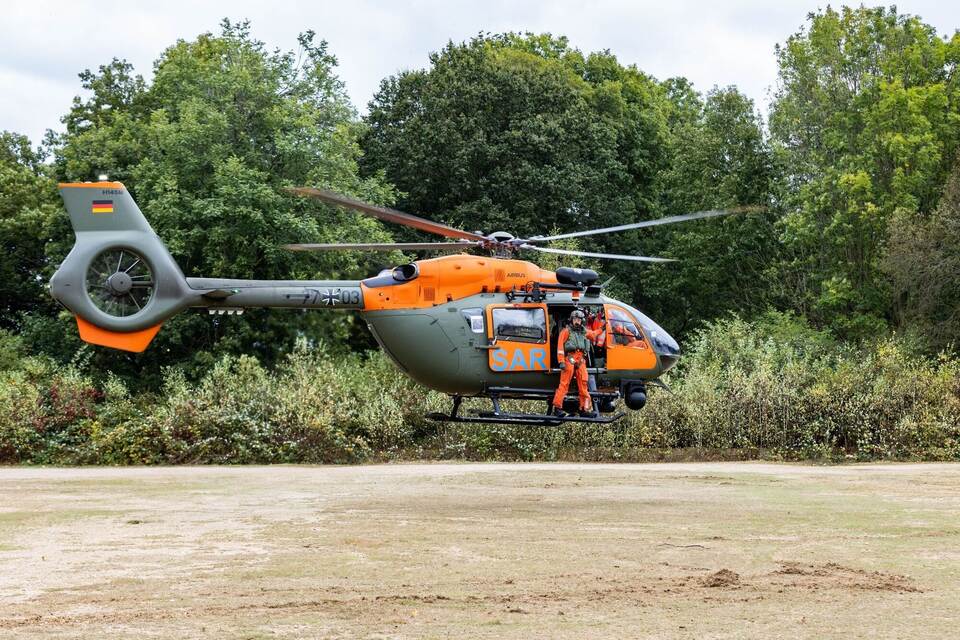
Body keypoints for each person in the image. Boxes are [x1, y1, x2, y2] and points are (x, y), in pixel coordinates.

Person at [552, 309, 605, 418]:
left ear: (582, 321)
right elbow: (560, 348)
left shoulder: (584, 332)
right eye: (575, 319)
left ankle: (584, 409)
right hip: (569, 359)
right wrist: (561, 361)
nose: (577, 321)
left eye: (579, 319)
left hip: (581, 361)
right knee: (564, 384)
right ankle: (557, 408)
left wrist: (602, 329)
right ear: (571, 320)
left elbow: (594, 334)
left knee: (584, 385)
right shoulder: (565, 331)